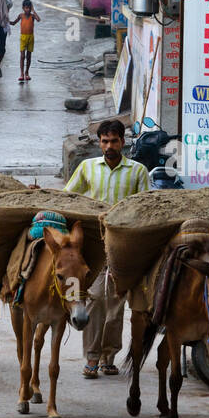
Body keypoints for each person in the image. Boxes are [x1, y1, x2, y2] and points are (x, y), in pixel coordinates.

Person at [64, 119, 151, 377]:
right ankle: (91, 358)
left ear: (123, 142)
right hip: (92, 246)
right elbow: (68, 196)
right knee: (95, 300)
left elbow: (145, 208)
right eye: (104, 141)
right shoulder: (87, 167)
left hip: (123, 248)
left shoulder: (137, 172)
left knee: (115, 306)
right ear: (99, 143)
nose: (109, 146)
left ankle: (108, 357)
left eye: (114, 141)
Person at [10, 0, 41, 83]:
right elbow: (13, 23)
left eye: (29, 8)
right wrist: (6, 20)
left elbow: (38, 19)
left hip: (31, 37)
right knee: (22, 56)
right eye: (26, 8)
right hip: (23, 38)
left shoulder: (32, 16)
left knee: (29, 56)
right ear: (23, 8)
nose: (27, 10)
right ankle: (21, 74)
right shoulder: (21, 16)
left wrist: (34, 11)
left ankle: (27, 72)